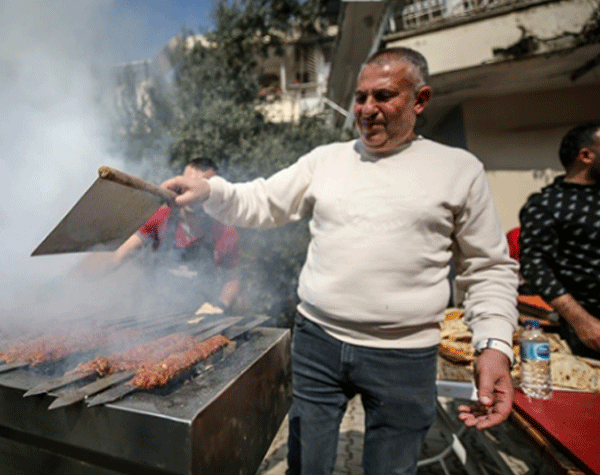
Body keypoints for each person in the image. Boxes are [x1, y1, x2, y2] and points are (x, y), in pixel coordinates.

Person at [161, 47, 519, 475]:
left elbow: (490, 267)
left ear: (420, 100)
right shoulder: (326, 160)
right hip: (318, 343)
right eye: (361, 97)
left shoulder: (459, 169)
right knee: (306, 465)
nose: (367, 110)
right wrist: (212, 192)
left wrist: (495, 345)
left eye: (384, 96)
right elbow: (260, 201)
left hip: (404, 356)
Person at [107, 158, 240, 313]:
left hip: (198, 317)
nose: (191, 191)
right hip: (155, 313)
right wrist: (81, 277)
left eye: (199, 186)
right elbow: (119, 255)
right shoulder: (161, 217)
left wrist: (219, 306)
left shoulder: (224, 230)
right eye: (188, 183)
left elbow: (232, 279)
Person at [518, 122, 600, 359]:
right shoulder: (547, 206)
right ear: (586, 155)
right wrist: (583, 322)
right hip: (591, 331)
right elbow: (535, 267)